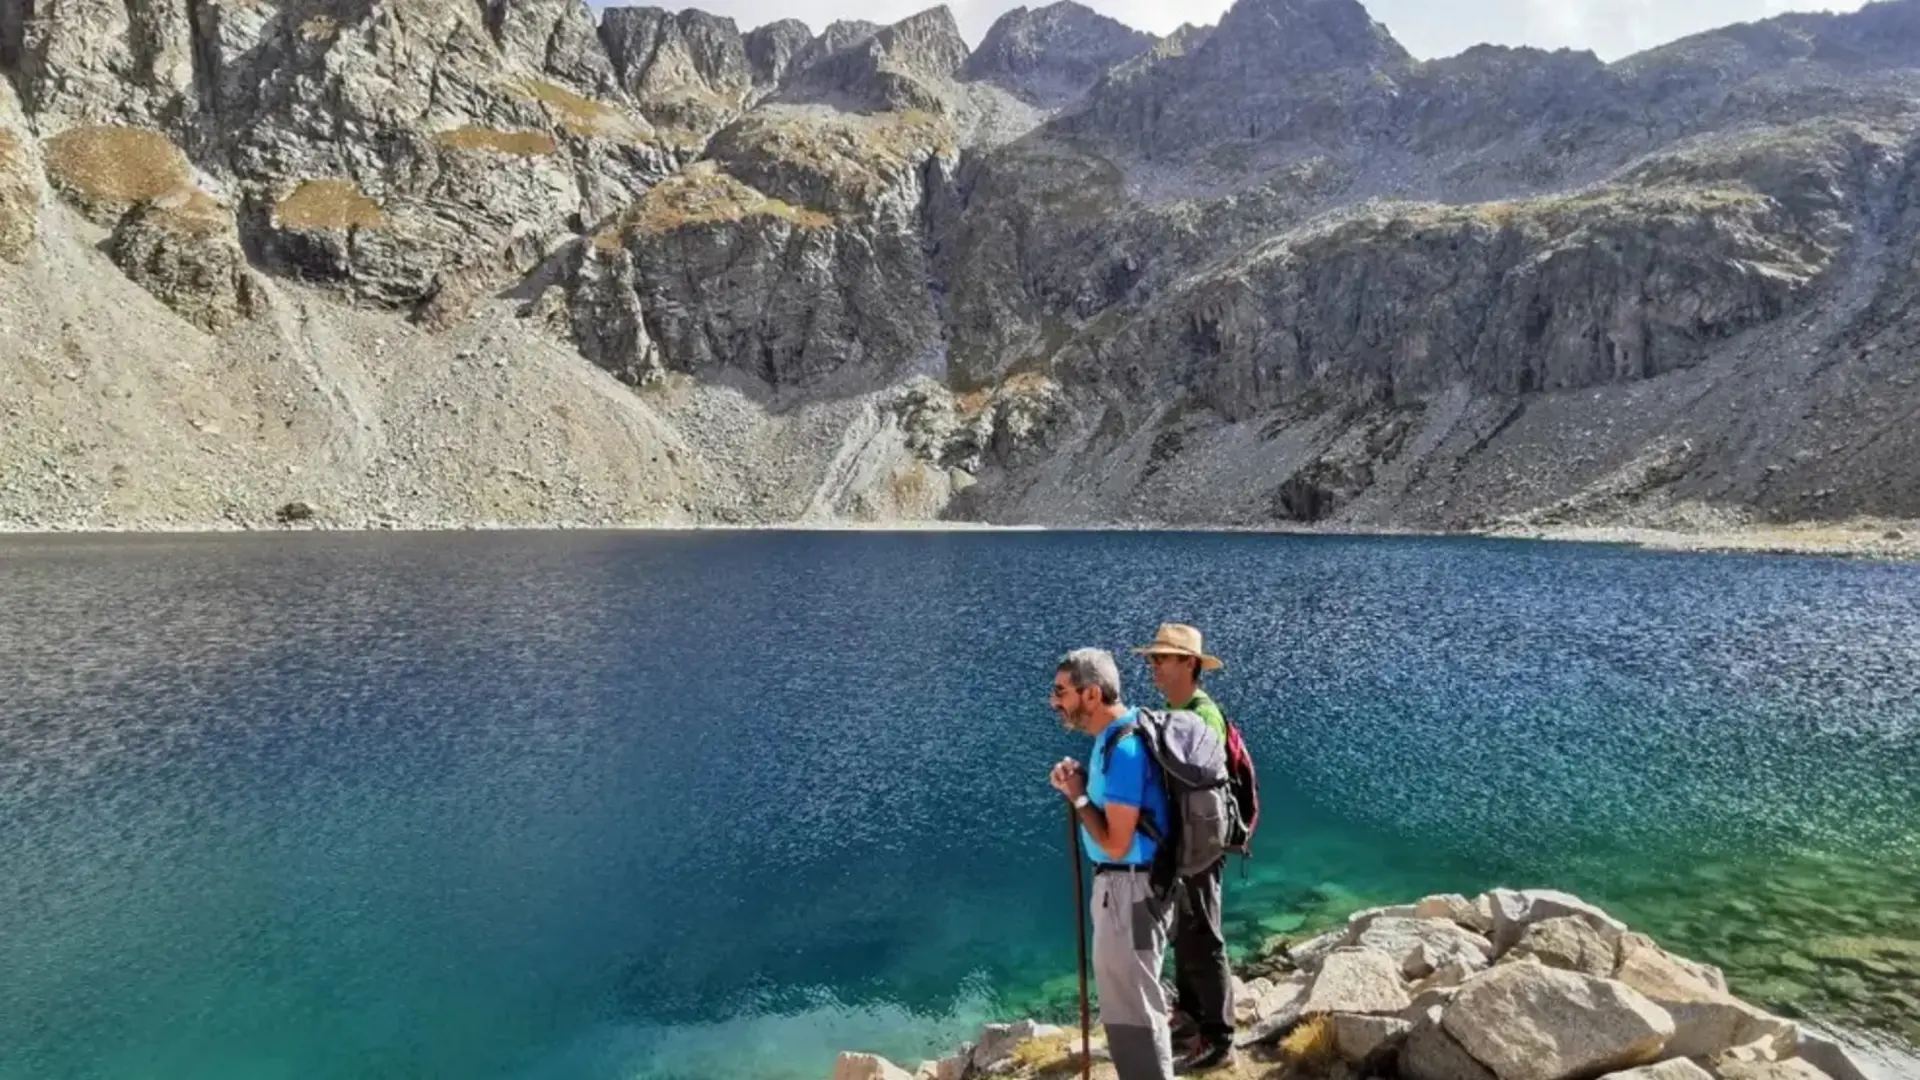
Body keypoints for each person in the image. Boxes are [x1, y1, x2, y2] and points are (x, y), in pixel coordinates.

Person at [1047, 648, 1175, 1080]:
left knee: (1132, 1005)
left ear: (1092, 694)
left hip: (1130, 889)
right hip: (1129, 887)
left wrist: (1078, 797)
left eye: (1062, 691)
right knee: (1129, 999)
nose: (1054, 701)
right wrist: (1082, 785)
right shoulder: (1115, 737)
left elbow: (1117, 844)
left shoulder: (1125, 749)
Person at [1131, 624, 1235, 1072]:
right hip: (1182, 841)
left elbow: (1198, 773)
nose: (1153, 666)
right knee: (1184, 932)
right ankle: (1190, 1016)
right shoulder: (1174, 711)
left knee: (1204, 936)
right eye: (1152, 659)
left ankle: (1220, 1038)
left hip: (1202, 845)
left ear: (1189, 664)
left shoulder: (1204, 715)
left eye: (1162, 658)